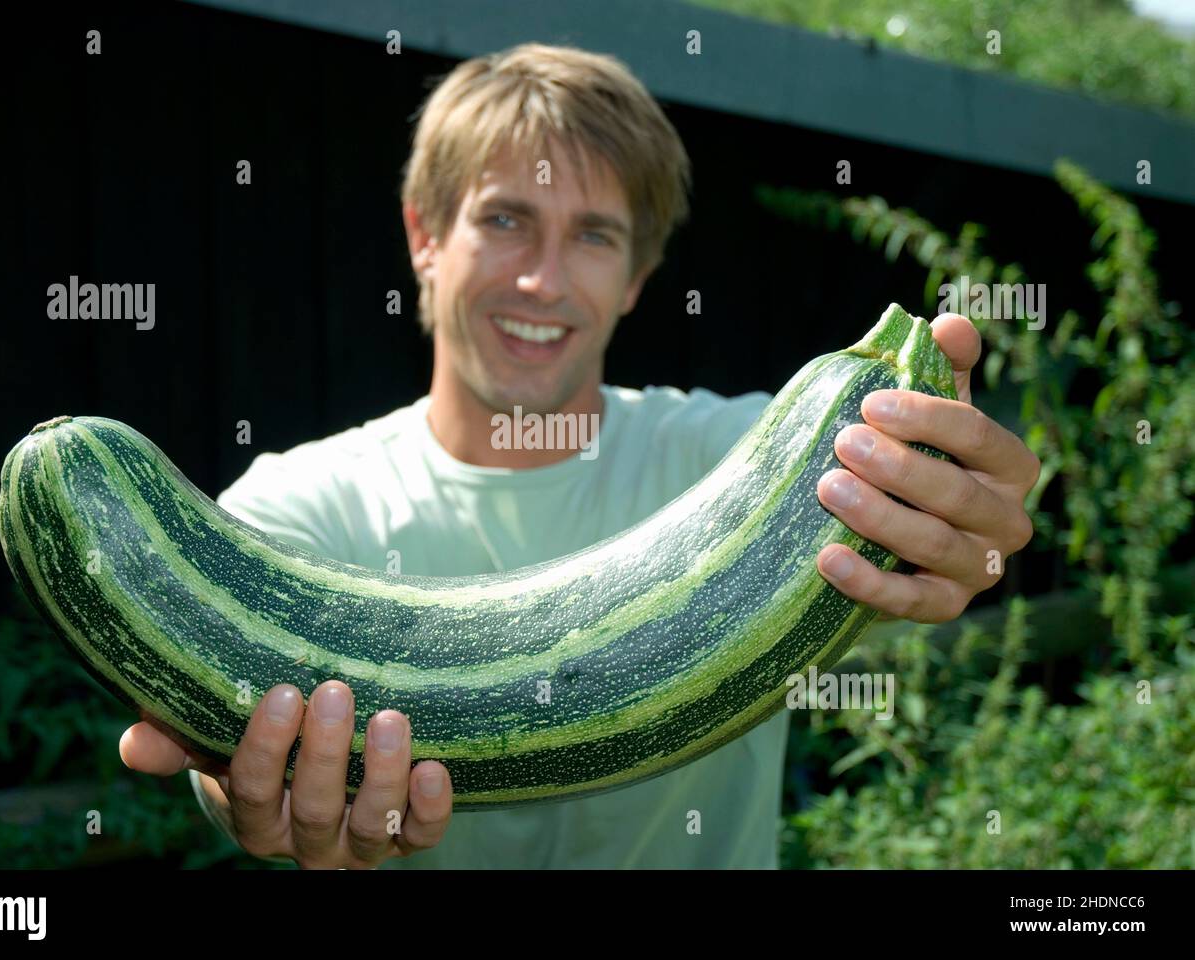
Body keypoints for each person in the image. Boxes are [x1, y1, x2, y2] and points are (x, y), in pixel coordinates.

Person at [118, 43, 1039, 869]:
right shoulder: (292, 511)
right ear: (424, 238)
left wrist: (959, 523)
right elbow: (219, 707)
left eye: (593, 235)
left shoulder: (757, 461)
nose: (542, 280)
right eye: (507, 220)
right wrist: (240, 787)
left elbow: (932, 526)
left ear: (638, 278)